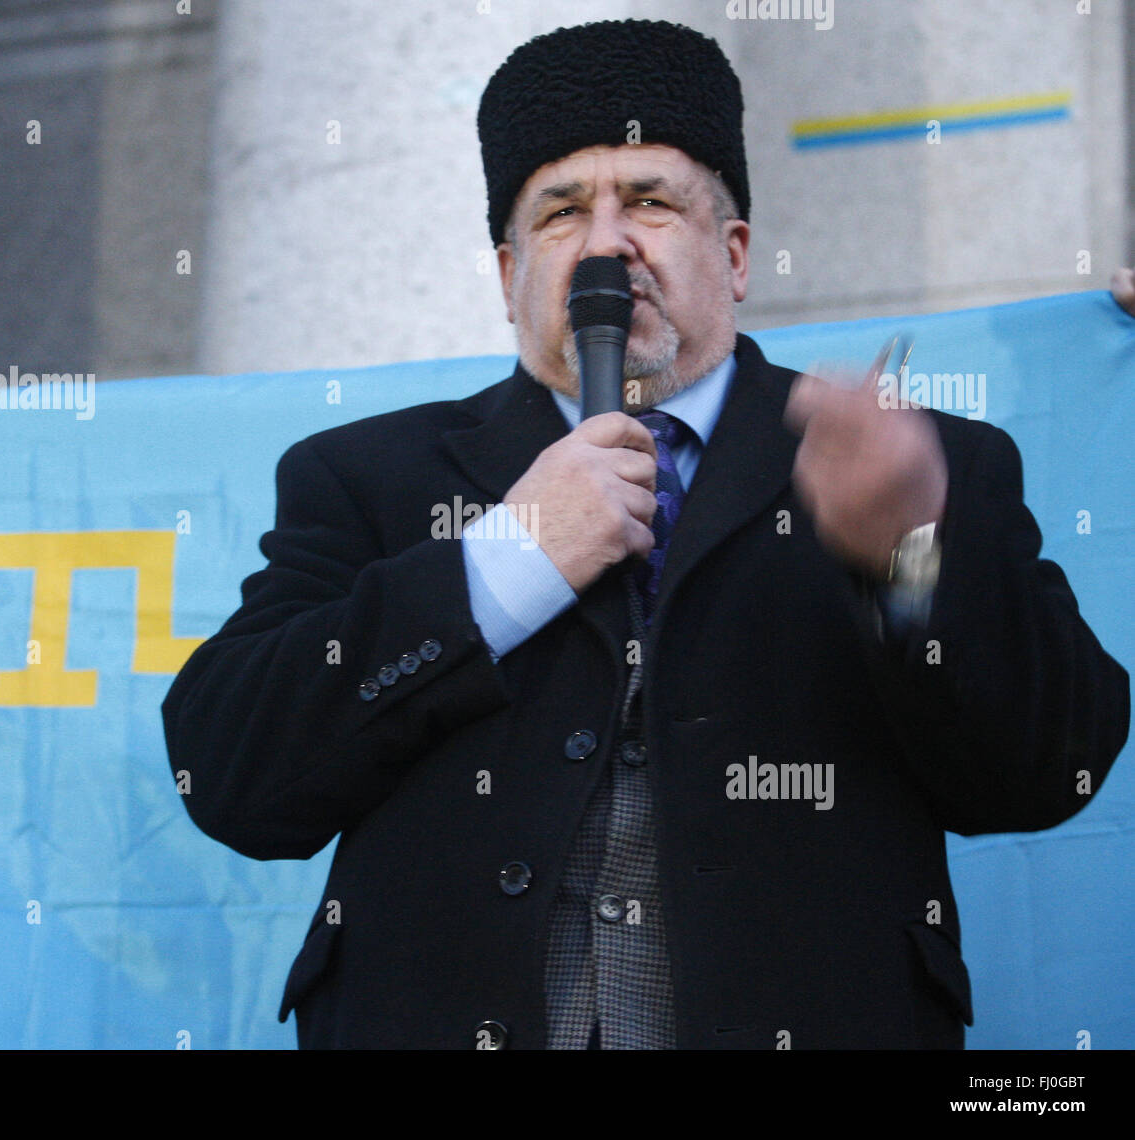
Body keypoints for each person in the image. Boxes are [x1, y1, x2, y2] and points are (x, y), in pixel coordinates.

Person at [161, 19, 1129, 1050]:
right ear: (506, 275)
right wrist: (506, 561)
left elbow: (1042, 774)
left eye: (652, 203)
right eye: (561, 212)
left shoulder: (915, 462)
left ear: (736, 253)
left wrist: (905, 559)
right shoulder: (367, 479)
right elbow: (230, 776)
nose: (607, 243)